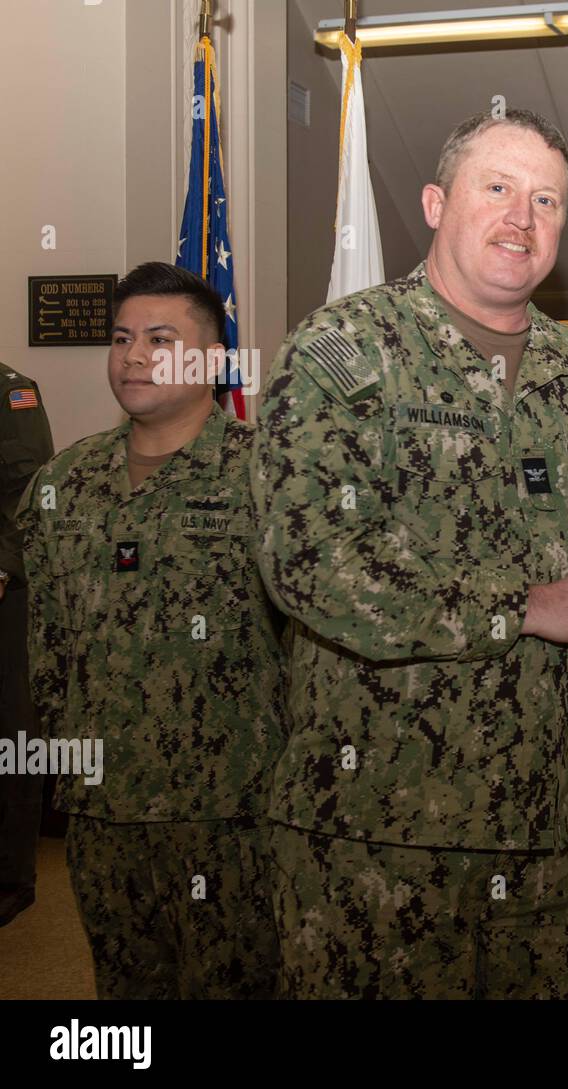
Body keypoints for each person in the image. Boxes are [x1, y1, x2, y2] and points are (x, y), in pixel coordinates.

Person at [251, 107, 568, 999]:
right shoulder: (341, 356)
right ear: (437, 203)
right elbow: (309, 562)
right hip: (380, 834)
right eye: (498, 188)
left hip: (558, 841)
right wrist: (521, 608)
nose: (522, 217)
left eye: (546, 199)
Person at [18, 262, 284, 998]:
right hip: (104, 814)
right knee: (127, 995)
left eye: (160, 339)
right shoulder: (63, 485)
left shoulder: (270, 478)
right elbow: (48, 648)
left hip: (235, 815)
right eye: (121, 337)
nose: (133, 356)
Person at [0, 366, 55, 928]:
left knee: (12, 730)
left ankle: (12, 877)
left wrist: (3, 565)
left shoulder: (11, 390)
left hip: (4, 591)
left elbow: (30, 487)